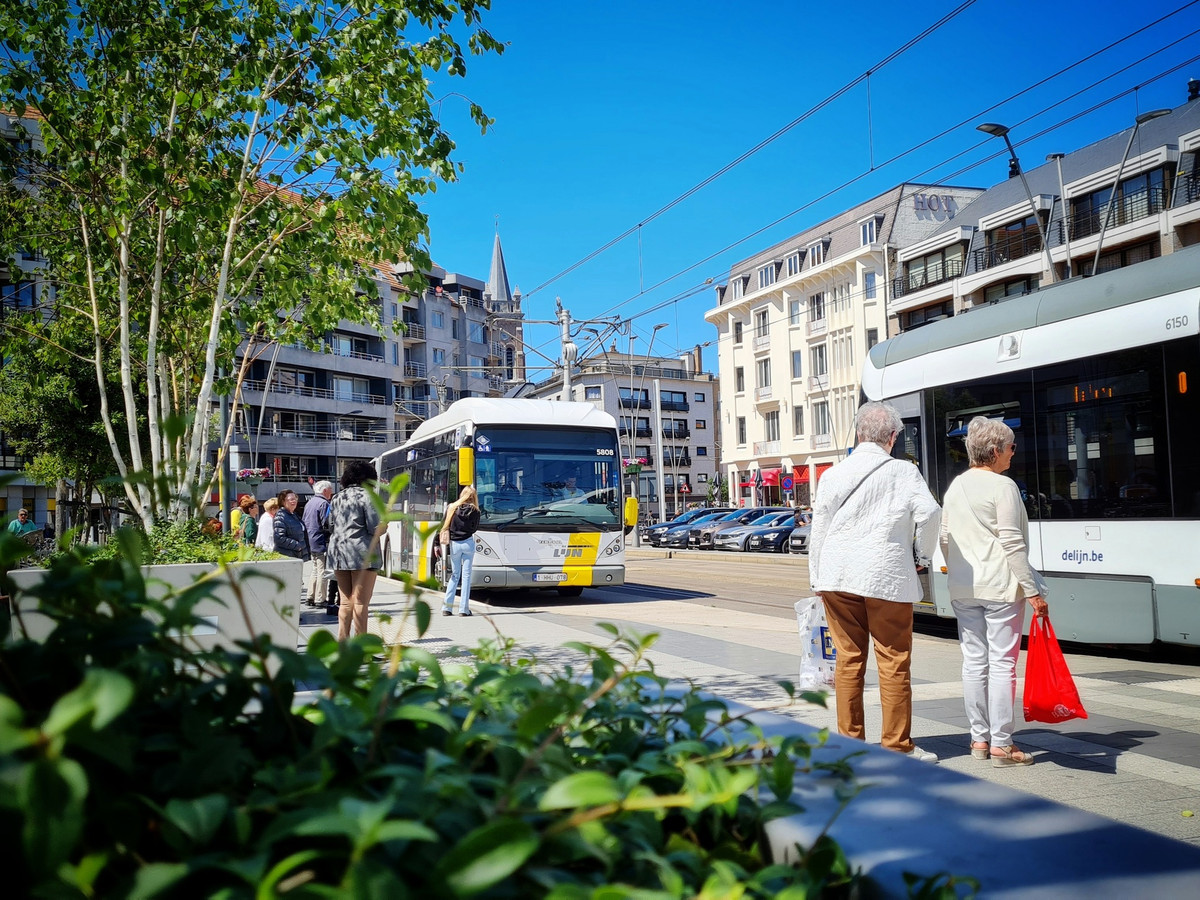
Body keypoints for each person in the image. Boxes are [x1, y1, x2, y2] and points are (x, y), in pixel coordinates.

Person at [808, 401, 942, 763]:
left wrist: (816, 577)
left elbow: (819, 527)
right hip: (886, 575)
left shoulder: (833, 474)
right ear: (893, 437)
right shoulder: (903, 472)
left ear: (858, 433)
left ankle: (850, 745)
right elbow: (930, 513)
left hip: (837, 576)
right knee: (894, 659)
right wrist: (922, 555)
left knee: (848, 660)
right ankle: (897, 745)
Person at [940, 416, 1049, 768]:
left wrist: (958, 568)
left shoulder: (955, 486)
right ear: (996, 451)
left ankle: (978, 739)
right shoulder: (1004, 487)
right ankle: (1002, 743)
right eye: (1011, 448)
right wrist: (1032, 590)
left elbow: (944, 538)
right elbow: (1012, 542)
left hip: (964, 585)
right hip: (1001, 586)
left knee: (973, 663)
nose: (1013, 454)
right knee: (1002, 664)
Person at [326, 460, 385, 640]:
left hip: (338, 553)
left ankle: (343, 644)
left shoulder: (337, 497)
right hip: (362, 555)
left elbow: (329, 525)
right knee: (361, 603)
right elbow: (375, 528)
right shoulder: (367, 497)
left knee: (345, 603)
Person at [440, 485, 481, 617]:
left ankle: (447, 608)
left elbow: (444, 526)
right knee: (466, 576)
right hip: (468, 543)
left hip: (455, 545)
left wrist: (437, 543)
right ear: (473, 497)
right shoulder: (475, 511)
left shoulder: (452, 508)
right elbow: (474, 529)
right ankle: (464, 609)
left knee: (455, 575)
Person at [302, 481, 334, 608]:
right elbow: (327, 523)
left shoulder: (310, 503)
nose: (331, 492)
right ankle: (320, 598)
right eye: (330, 489)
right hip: (321, 540)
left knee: (315, 569)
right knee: (323, 571)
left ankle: (310, 596)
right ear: (325, 490)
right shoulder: (324, 503)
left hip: (310, 540)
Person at [272, 490, 310, 564]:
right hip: (287, 557)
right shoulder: (280, 516)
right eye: (291, 499)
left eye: (295, 499)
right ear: (283, 501)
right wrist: (298, 546)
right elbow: (279, 538)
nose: (294, 501)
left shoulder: (294, 515)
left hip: (297, 556)